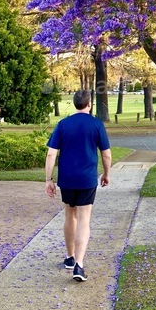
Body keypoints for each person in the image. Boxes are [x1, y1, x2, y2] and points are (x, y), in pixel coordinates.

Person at [44, 90, 111, 282]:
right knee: (84, 218)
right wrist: (106, 174)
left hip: (67, 179)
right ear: (89, 104)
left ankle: (69, 257)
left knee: (69, 215)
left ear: (75, 104)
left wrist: (49, 180)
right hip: (87, 178)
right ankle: (79, 266)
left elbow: (51, 154)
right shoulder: (96, 124)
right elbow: (106, 154)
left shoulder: (63, 124)